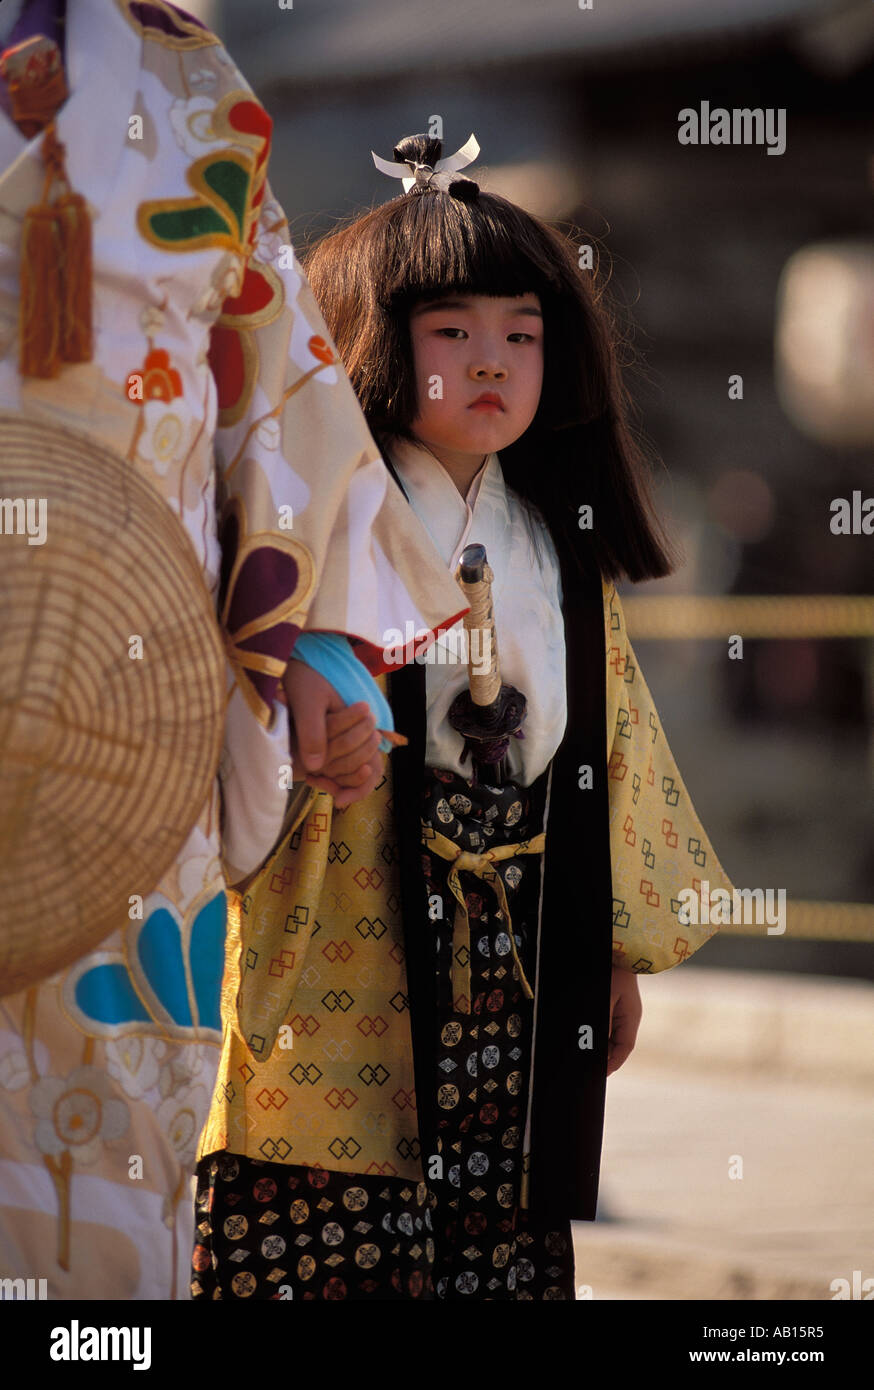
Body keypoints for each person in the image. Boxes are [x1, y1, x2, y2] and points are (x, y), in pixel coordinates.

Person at [192, 133, 735, 1301]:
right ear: (377, 344)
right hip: (349, 918)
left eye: (521, 335)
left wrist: (610, 949)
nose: (491, 360)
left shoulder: (558, 547)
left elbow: (610, 749)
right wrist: (298, 728)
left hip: (524, 952)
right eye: (452, 332)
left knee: (498, 1233)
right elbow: (224, 689)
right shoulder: (313, 526)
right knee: (328, 1224)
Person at [0, 4, 464, 1300]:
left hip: (122, 714)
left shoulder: (191, 77)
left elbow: (265, 395)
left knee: (109, 1143)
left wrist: (308, 643)